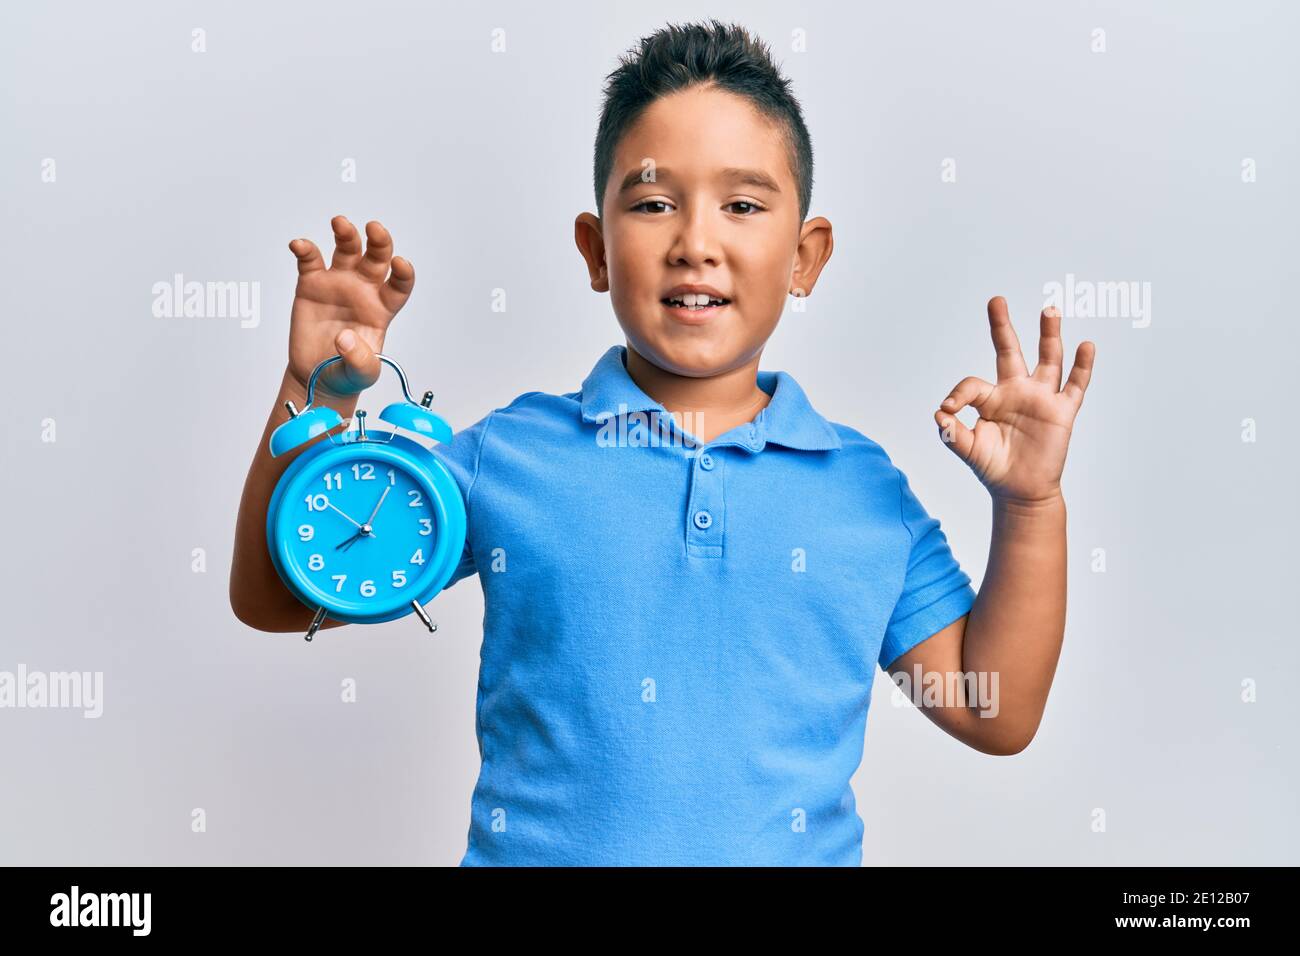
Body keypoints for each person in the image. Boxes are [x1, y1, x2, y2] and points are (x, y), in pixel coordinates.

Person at [229, 19, 1095, 866]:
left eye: (743, 205)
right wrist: (313, 393)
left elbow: (996, 712)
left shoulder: (862, 492)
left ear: (806, 256)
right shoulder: (512, 457)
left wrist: (1029, 507)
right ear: (596, 248)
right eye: (651, 203)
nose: (696, 244)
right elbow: (277, 601)